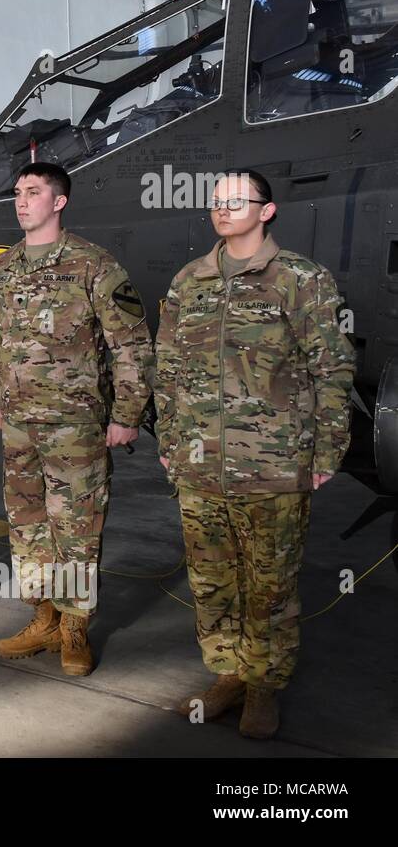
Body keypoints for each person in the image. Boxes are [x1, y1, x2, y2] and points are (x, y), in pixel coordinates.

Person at [155, 168, 354, 738]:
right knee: (212, 579)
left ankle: (264, 687)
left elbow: (332, 367)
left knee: (270, 583)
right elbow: (166, 368)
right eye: (216, 202)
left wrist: (325, 450)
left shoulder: (299, 278)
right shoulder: (190, 280)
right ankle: (226, 675)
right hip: (198, 461)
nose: (222, 209)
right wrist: (169, 440)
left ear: (266, 210)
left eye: (237, 201)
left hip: (271, 462)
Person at [0, 162, 153, 676]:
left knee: (76, 525)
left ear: (59, 201)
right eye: (17, 192)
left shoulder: (93, 265)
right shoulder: (5, 267)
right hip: (17, 423)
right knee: (27, 522)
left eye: (33, 192)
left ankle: (76, 626)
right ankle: (43, 617)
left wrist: (126, 414)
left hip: (75, 425)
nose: (21, 201)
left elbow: (131, 344)